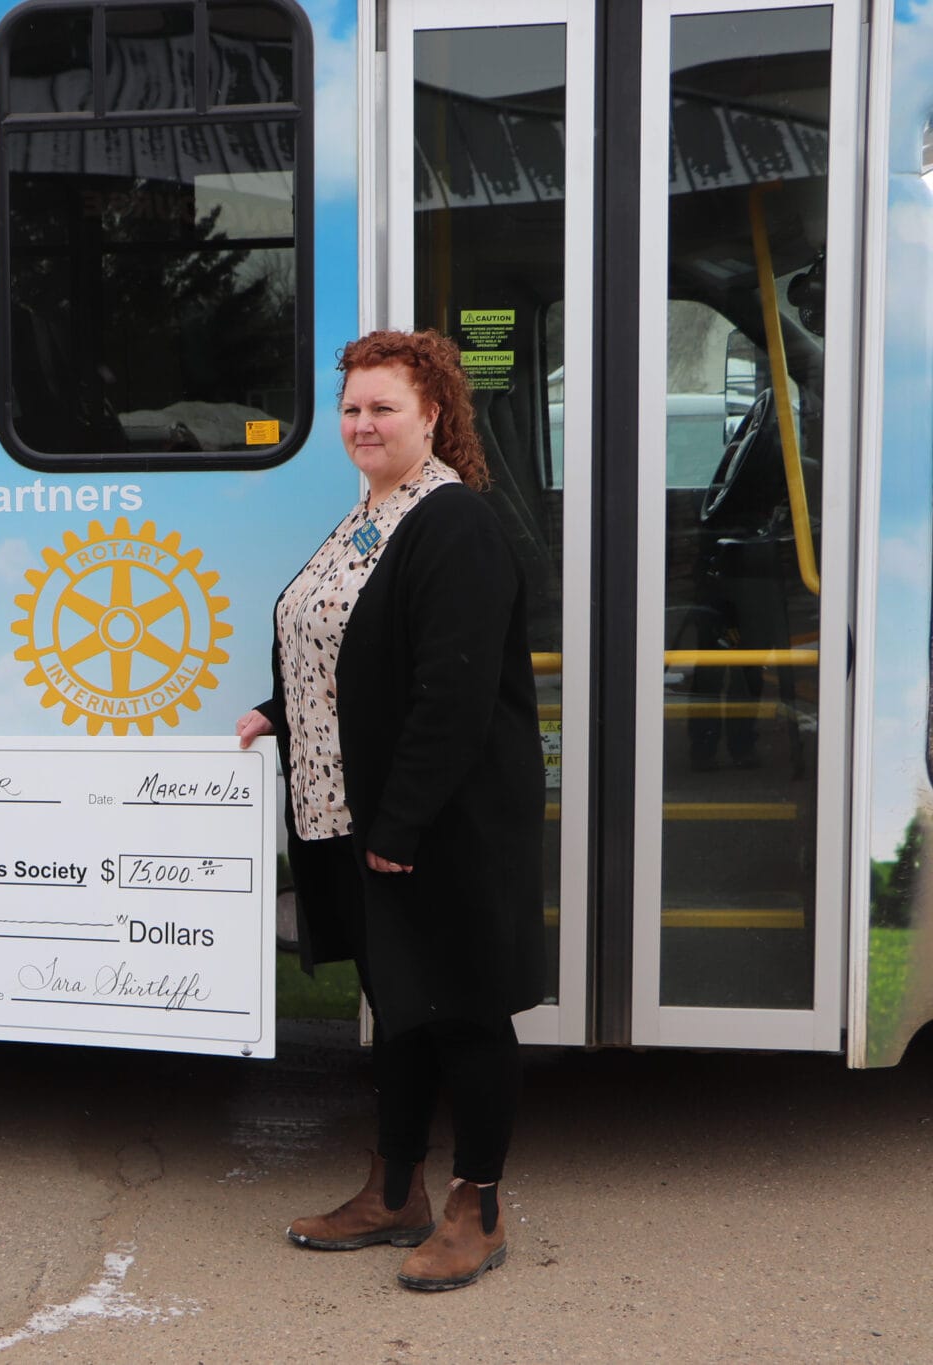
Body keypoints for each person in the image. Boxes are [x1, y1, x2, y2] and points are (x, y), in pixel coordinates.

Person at [235, 330, 543, 1291]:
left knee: (465, 1014)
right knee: (400, 1011)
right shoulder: (372, 514)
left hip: (433, 824)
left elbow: (449, 694)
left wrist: (400, 826)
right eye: (353, 409)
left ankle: (478, 1206)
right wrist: (280, 710)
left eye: (384, 409)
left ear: (433, 417)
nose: (363, 425)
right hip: (354, 817)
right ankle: (393, 1190)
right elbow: (352, 652)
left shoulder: (454, 524)